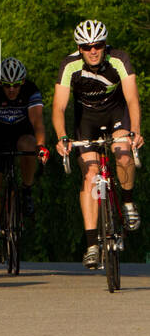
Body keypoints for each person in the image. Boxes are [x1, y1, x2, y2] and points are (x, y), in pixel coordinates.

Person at [53, 19, 143, 268]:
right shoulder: (69, 66)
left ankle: (126, 201)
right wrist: (62, 137)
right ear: (79, 49)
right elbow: (59, 106)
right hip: (87, 121)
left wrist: (135, 131)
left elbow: (133, 99)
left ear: (105, 45)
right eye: (86, 46)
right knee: (91, 176)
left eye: (98, 45)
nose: (93, 51)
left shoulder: (119, 59)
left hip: (117, 115)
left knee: (123, 153)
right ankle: (92, 243)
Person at [0, 57, 46, 263]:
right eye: (7, 85)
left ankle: (27, 188)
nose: (12, 90)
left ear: (23, 83)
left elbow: (37, 120)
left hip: (21, 133)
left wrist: (42, 146)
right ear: (0, 83)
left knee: (29, 146)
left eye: (16, 85)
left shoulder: (31, 89)